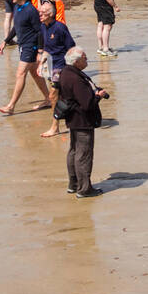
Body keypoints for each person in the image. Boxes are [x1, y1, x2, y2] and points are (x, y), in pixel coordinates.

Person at [57, 47, 108, 197]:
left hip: (73, 118)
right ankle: (84, 189)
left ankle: (73, 184)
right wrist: (97, 96)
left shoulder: (66, 72)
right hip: (82, 120)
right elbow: (87, 104)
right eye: (84, 58)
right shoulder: (74, 78)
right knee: (83, 154)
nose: (87, 60)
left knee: (74, 151)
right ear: (77, 61)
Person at [0, 0, 51, 114]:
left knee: (20, 74)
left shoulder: (31, 10)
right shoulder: (17, 7)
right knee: (35, 74)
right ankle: (49, 99)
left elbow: (39, 31)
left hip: (30, 46)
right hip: (22, 45)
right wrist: (6, 41)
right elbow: (16, 27)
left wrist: (39, 51)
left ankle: (11, 106)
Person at [37, 0, 76, 138]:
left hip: (61, 65)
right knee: (59, 96)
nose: (39, 14)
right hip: (50, 64)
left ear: (50, 14)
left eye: (42, 12)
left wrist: (72, 68)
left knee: (53, 95)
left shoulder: (60, 28)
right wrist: (41, 61)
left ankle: (55, 127)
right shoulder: (43, 27)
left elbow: (71, 47)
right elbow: (47, 47)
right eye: (39, 12)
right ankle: (68, 120)